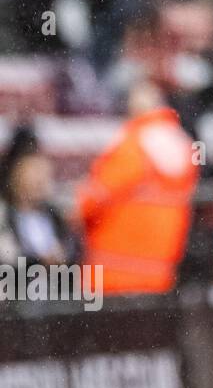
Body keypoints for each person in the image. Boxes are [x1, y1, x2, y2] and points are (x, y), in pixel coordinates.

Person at [75, 80, 199, 294]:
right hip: (159, 274)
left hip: (110, 274)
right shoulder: (186, 148)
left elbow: (90, 202)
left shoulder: (130, 145)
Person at [0, 125, 76, 267]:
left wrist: (64, 256)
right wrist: (38, 262)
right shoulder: (5, 216)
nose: (40, 180)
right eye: (33, 171)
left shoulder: (55, 215)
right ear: (15, 174)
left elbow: (74, 249)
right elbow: (6, 260)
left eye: (42, 172)